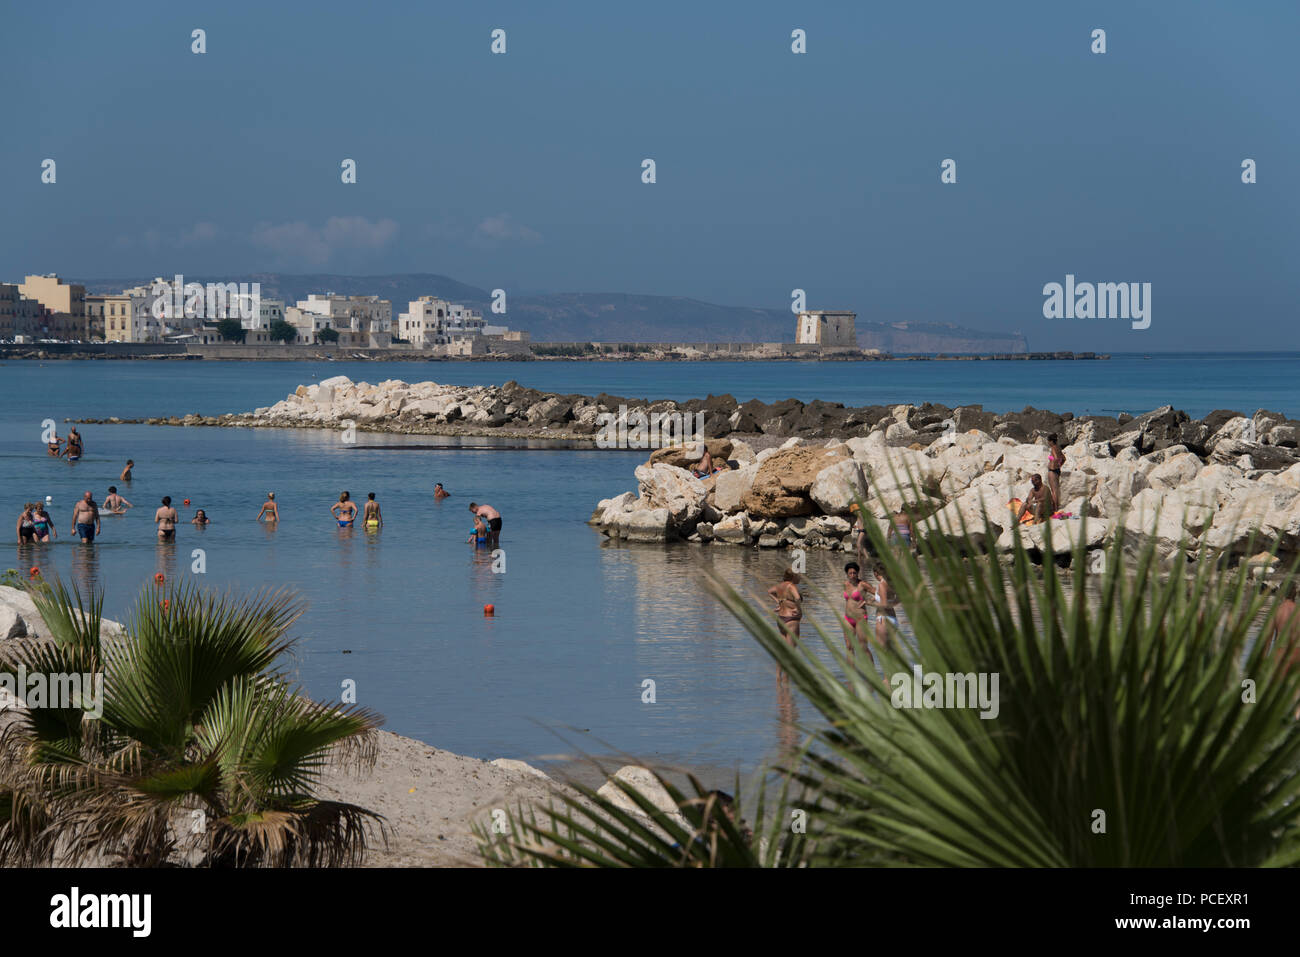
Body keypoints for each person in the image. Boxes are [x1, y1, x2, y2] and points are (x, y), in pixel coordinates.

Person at [842, 561, 871, 657]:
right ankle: (851, 671)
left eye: (854, 573)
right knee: (849, 647)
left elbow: (878, 593)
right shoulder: (845, 584)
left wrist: (867, 601)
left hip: (860, 619)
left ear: (858, 573)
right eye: (850, 573)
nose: (852, 575)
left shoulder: (863, 584)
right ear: (847, 574)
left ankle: (871, 671)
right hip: (848, 618)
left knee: (863, 647)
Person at [768, 569, 802, 645]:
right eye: (799, 576)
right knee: (791, 651)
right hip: (791, 619)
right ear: (794, 576)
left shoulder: (780, 585)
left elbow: (770, 591)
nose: (800, 578)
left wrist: (779, 603)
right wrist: (797, 609)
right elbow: (797, 598)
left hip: (781, 619)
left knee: (784, 650)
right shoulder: (791, 586)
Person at [870, 561, 899, 647]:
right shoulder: (893, 583)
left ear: (875, 573)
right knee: (891, 652)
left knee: (882, 653)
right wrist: (891, 604)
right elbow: (901, 597)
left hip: (883, 620)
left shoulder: (882, 585)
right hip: (893, 619)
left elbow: (883, 604)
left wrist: (870, 603)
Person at [1046, 433, 1066, 510]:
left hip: (1052, 470)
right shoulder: (1058, 448)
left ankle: (1055, 508)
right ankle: (1056, 506)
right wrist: (1059, 465)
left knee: (1053, 490)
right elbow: (1064, 459)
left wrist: (1051, 459)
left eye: (1048, 441)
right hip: (1057, 470)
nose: (1048, 443)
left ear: (1051, 441)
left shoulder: (1053, 448)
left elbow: (1056, 458)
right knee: (1056, 489)